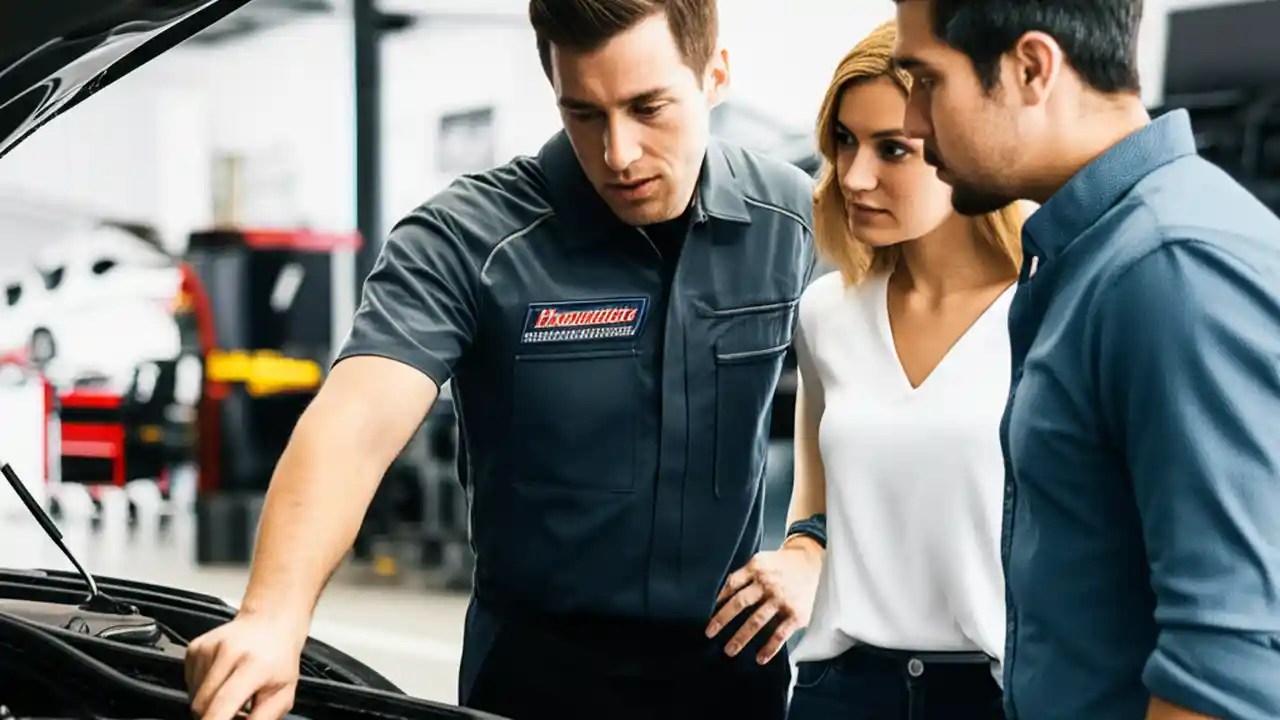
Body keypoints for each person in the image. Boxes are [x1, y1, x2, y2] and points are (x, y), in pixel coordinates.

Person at [182, 1, 817, 719]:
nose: (619, 153)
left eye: (649, 108)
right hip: (538, 677)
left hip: (734, 674)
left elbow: (873, 396)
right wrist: (273, 616)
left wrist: (811, 548)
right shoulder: (464, 240)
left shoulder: (792, 221)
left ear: (717, 74)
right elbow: (354, 425)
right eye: (584, 113)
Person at [892, 1, 1280, 719]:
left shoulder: (1172, 270)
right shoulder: (1097, 255)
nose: (913, 123)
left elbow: (1226, 674)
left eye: (926, 81)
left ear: (1031, 69)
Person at [706, 19, 1022, 719]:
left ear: (963, 141)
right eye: (844, 141)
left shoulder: (1046, 307)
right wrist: (800, 555)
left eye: (893, 149)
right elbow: (815, 509)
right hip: (840, 690)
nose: (854, 175)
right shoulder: (828, 312)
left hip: (996, 694)